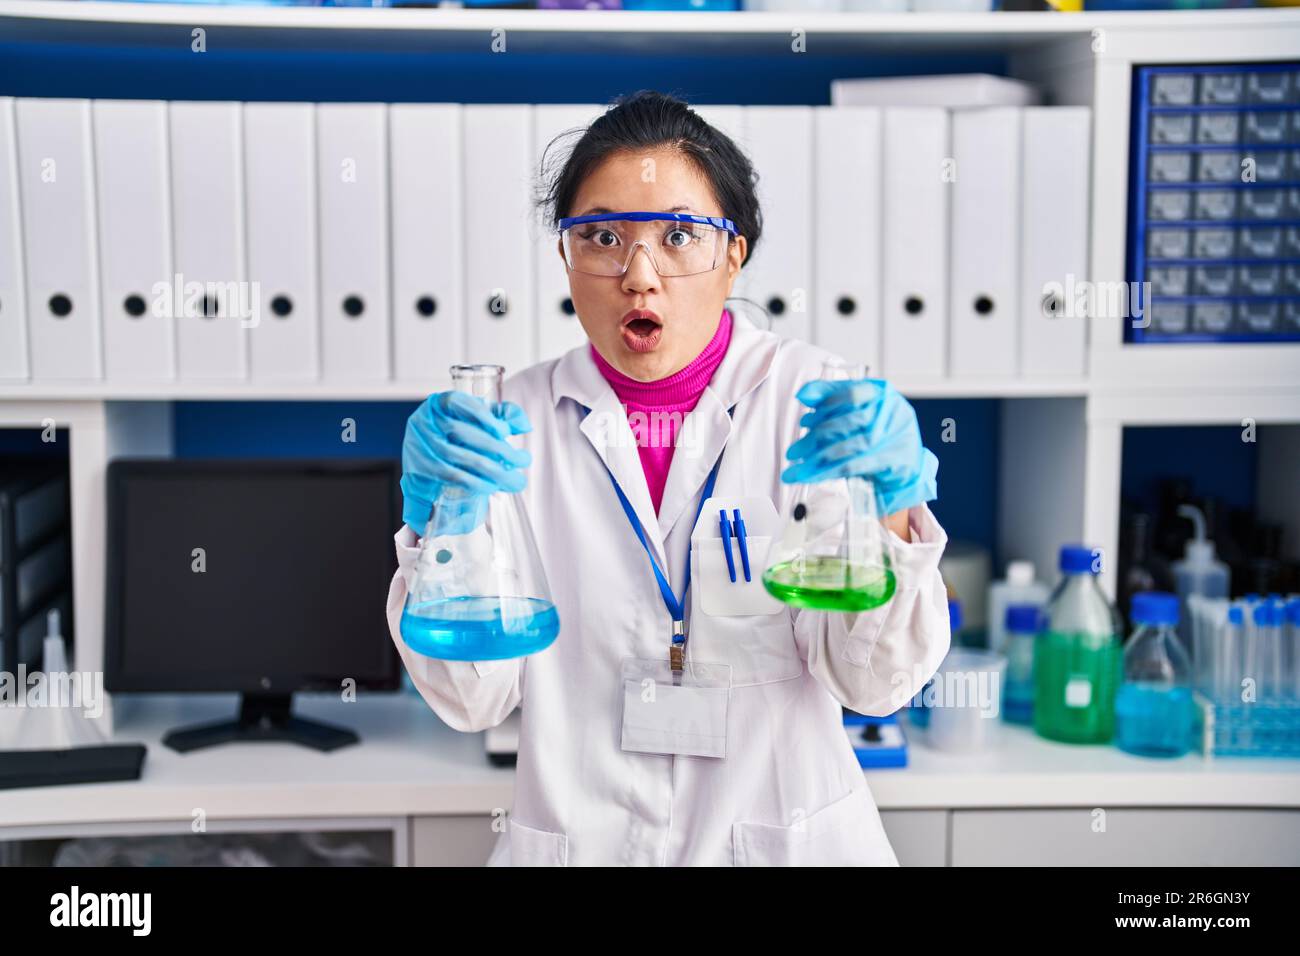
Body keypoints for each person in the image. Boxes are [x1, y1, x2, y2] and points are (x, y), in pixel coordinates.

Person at [386, 90, 948, 866]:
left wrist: (888, 511)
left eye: (680, 235)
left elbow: (874, 684)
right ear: (566, 256)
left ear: (733, 255)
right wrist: (437, 527)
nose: (639, 275)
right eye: (604, 237)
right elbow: (470, 697)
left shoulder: (815, 405)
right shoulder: (504, 427)